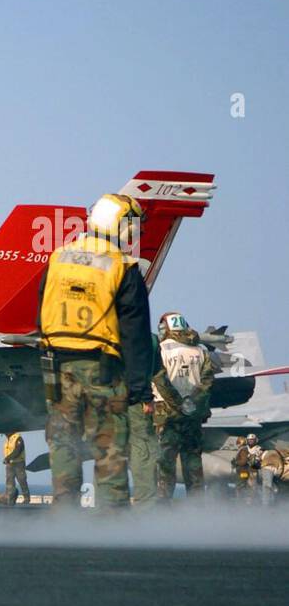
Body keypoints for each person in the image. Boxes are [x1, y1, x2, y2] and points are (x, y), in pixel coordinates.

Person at [37, 192, 152, 508]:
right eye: (134, 225)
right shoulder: (122, 266)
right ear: (122, 225)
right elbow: (135, 335)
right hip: (103, 371)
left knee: (63, 445)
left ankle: (65, 517)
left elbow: (41, 314)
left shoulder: (59, 258)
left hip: (58, 369)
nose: (137, 232)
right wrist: (140, 391)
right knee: (109, 446)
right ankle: (111, 520)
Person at [151, 312, 214, 500]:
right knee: (193, 462)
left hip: (165, 414)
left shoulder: (161, 350)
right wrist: (191, 402)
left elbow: (160, 380)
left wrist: (178, 404)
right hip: (193, 414)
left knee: (165, 463)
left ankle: (163, 505)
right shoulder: (201, 350)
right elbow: (207, 382)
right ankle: (196, 506)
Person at [127, 333, 163, 507]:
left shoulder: (101, 330)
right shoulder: (151, 338)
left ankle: (107, 508)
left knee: (107, 452)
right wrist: (147, 397)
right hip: (137, 401)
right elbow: (153, 370)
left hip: (104, 401)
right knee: (144, 451)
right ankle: (146, 508)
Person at [2, 431, 30, 504]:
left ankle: (26, 498)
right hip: (9, 464)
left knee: (22, 480)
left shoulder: (18, 438)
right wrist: (7, 459)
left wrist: (8, 458)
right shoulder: (8, 440)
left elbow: (18, 450)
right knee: (9, 482)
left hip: (19, 463)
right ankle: (10, 498)